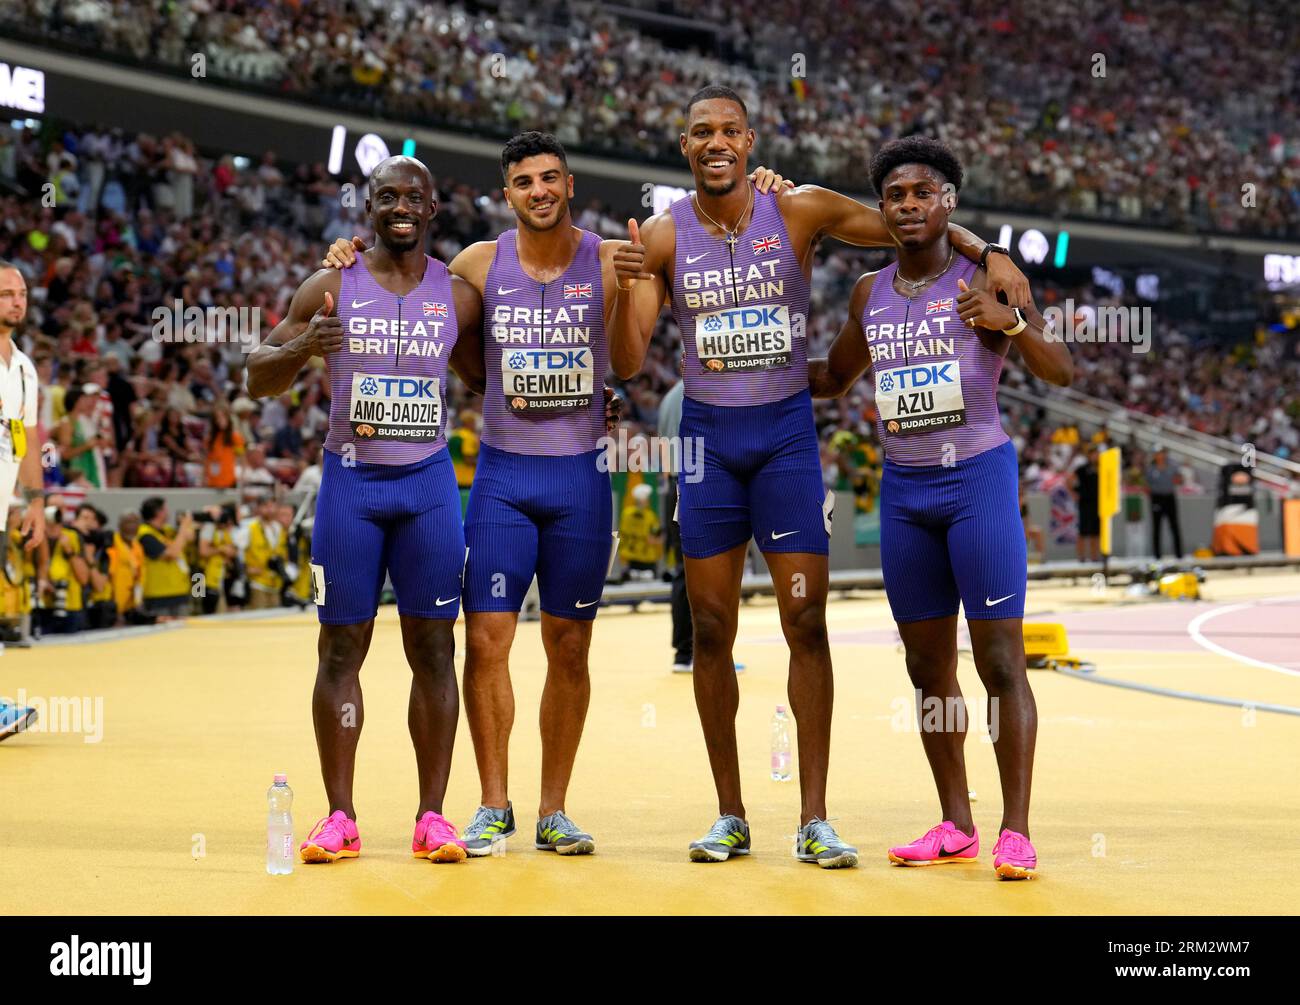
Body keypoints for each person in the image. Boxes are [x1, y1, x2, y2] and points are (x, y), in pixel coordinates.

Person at [608, 86, 1030, 867]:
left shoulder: (796, 209)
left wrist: (989, 252)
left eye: (730, 129)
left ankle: (814, 817)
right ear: (684, 145)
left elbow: (909, 222)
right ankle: (730, 813)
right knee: (710, 628)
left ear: (751, 136)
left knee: (806, 623)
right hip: (707, 445)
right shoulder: (663, 238)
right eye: (702, 131)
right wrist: (623, 281)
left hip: (785, 443)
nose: (717, 141)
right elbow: (630, 361)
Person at [319, 133, 669, 858]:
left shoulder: (610, 258)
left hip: (580, 481)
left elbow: (629, 366)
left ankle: (554, 808)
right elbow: (433, 326)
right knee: (484, 641)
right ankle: (491, 803)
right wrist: (350, 255)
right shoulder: (476, 264)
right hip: (503, 479)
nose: (537, 190)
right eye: (521, 181)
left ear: (569, 184)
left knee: (569, 646)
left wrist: (632, 288)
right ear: (506, 193)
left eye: (549, 178)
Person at [809, 136, 1072, 879]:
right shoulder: (869, 294)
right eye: (895, 195)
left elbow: (1061, 369)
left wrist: (1010, 322)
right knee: (928, 669)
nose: (909, 205)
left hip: (977, 484)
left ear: (948, 202)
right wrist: (741, 370)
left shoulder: (990, 278)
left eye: (924, 192)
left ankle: (1014, 830)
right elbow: (832, 376)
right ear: (883, 209)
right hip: (906, 495)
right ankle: (956, 820)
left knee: (998, 661)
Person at [247, 156, 485, 865]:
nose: (401, 206)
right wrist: (303, 350)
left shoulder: (459, 293)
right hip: (351, 486)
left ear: (434, 205)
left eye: (413, 196)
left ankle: (433, 817)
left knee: (435, 650)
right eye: (387, 196)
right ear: (370, 206)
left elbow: (491, 372)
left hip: (429, 490)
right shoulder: (330, 283)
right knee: (340, 649)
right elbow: (258, 373)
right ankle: (340, 815)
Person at [0, 259, 48, 737]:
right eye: (6, 293)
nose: (17, 301)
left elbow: (28, 438)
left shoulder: (23, 369)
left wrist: (35, 502)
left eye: (22, 293)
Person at [657, 379, 693, 672]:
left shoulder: (669, 397)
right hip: (696, 482)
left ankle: (684, 652)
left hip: (672, 484)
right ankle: (703, 651)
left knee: (684, 570)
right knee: (708, 569)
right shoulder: (701, 387)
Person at [137, 496, 195, 619]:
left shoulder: (166, 531)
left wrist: (188, 525)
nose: (168, 512)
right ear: (159, 512)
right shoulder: (145, 535)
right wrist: (183, 528)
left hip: (179, 592)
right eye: (165, 509)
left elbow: (190, 537)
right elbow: (171, 554)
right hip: (159, 596)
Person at [618, 482, 663, 581]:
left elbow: (622, 536)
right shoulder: (650, 516)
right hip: (643, 559)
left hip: (632, 558)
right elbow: (656, 538)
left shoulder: (626, 513)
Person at [1146, 448, 1183, 557]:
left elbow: (1179, 480)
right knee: (1156, 527)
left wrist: (1178, 479)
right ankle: (1157, 555)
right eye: (1158, 453)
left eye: (1162, 453)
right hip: (1156, 498)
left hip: (1169, 497)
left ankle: (1179, 554)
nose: (1160, 456)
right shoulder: (1151, 469)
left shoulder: (1172, 466)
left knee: (1174, 525)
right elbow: (1147, 484)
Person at [1072, 444, 1101, 561]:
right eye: (1093, 454)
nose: (1095, 456)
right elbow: (1069, 479)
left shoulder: (1102, 467)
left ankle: (1095, 556)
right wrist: (1074, 493)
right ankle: (1081, 557)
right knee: (1083, 531)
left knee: (1096, 532)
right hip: (1085, 503)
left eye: (1097, 453)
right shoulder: (1083, 468)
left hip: (1098, 503)